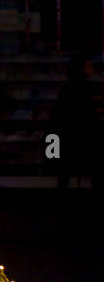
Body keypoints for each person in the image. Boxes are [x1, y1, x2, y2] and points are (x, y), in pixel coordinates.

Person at [50, 54, 102, 191]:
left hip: (70, 132)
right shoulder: (82, 87)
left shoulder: (69, 86)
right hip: (80, 132)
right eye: (89, 65)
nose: (92, 68)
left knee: (66, 170)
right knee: (92, 167)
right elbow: (87, 112)